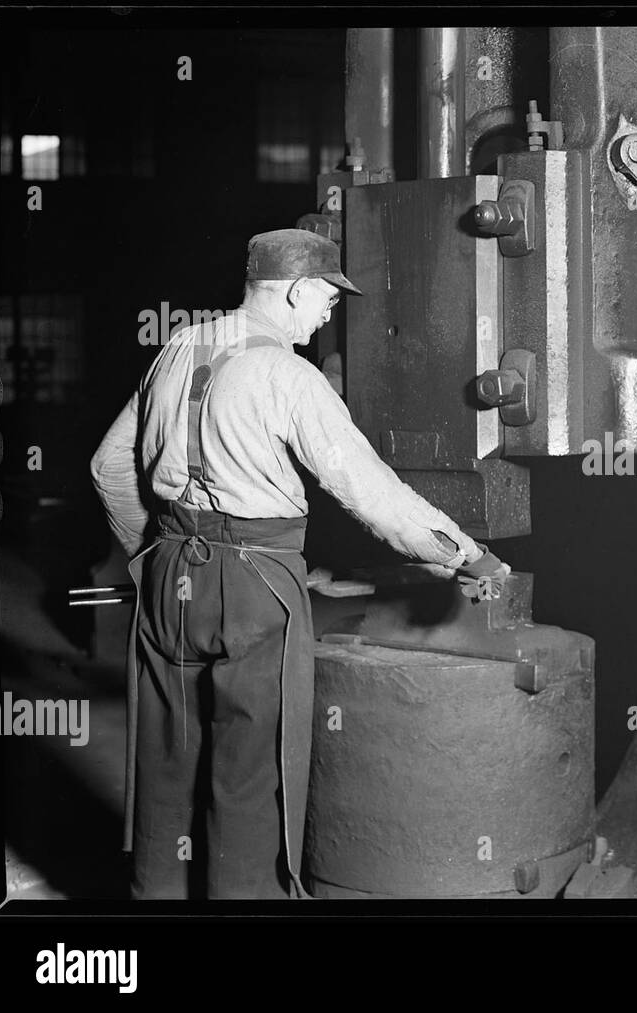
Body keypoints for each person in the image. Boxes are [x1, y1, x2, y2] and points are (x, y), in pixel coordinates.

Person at [90, 228, 508, 899]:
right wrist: (468, 554)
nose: (327, 315)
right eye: (327, 298)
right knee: (250, 776)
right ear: (294, 289)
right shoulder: (290, 376)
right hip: (255, 583)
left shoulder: (177, 346)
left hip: (169, 574)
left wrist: (155, 554)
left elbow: (108, 467)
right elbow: (371, 494)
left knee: (166, 762)